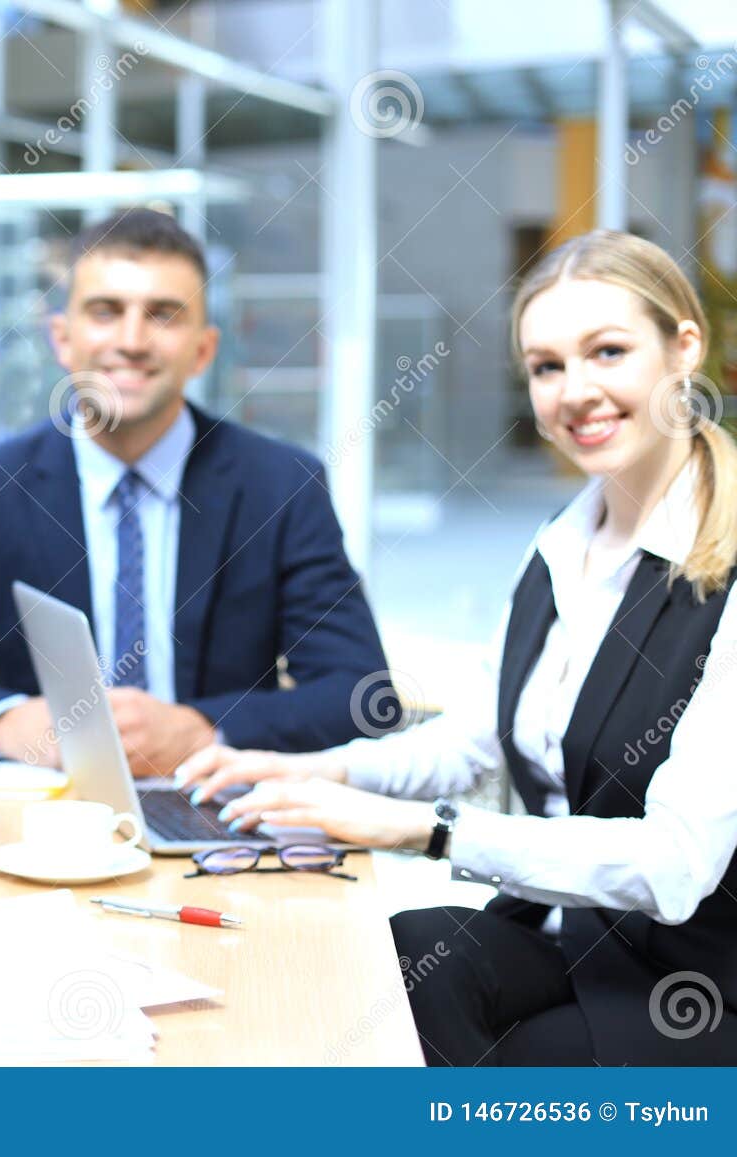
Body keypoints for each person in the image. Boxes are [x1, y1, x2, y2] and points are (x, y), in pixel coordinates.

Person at [177, 230, 737, 1066]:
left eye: (608, 351)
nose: (575, 391)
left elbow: (677, 862)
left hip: (690, 980)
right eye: (547, 367)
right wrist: (322, 773)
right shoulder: (558, 545)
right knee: (390, 963)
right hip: (564, 933)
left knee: (461, 1056)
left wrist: (424, 830)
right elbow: (474, 738)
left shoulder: (722, 569)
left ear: (683, 347)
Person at [0, 207, 393, 776]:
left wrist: (203, 729)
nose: (133, 341)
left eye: (163, 314)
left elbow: (360, 696)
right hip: (47, 813)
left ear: (204, 349)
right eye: (106, 312)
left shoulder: (282, 487)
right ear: (62, 338)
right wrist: (6, 722)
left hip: (215, 811)